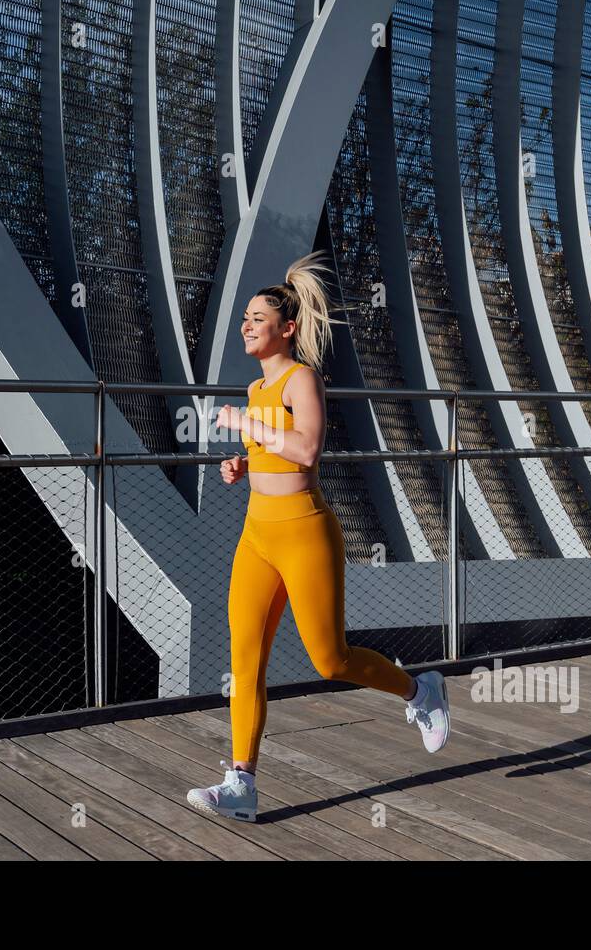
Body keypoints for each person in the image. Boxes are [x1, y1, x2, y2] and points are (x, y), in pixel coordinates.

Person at [185, 250, 450, 824]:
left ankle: (419, 691)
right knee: (245, 658)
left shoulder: (302, 379)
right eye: (245, 320)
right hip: (256, 534)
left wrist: (242, 425)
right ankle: (242, 781)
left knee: (329, 660)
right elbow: (273, 453)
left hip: (306, 533)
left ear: (288, 327)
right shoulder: (257, 390)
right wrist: (242, 465)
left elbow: (306, 449)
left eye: (258, 318)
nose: (247, 327)